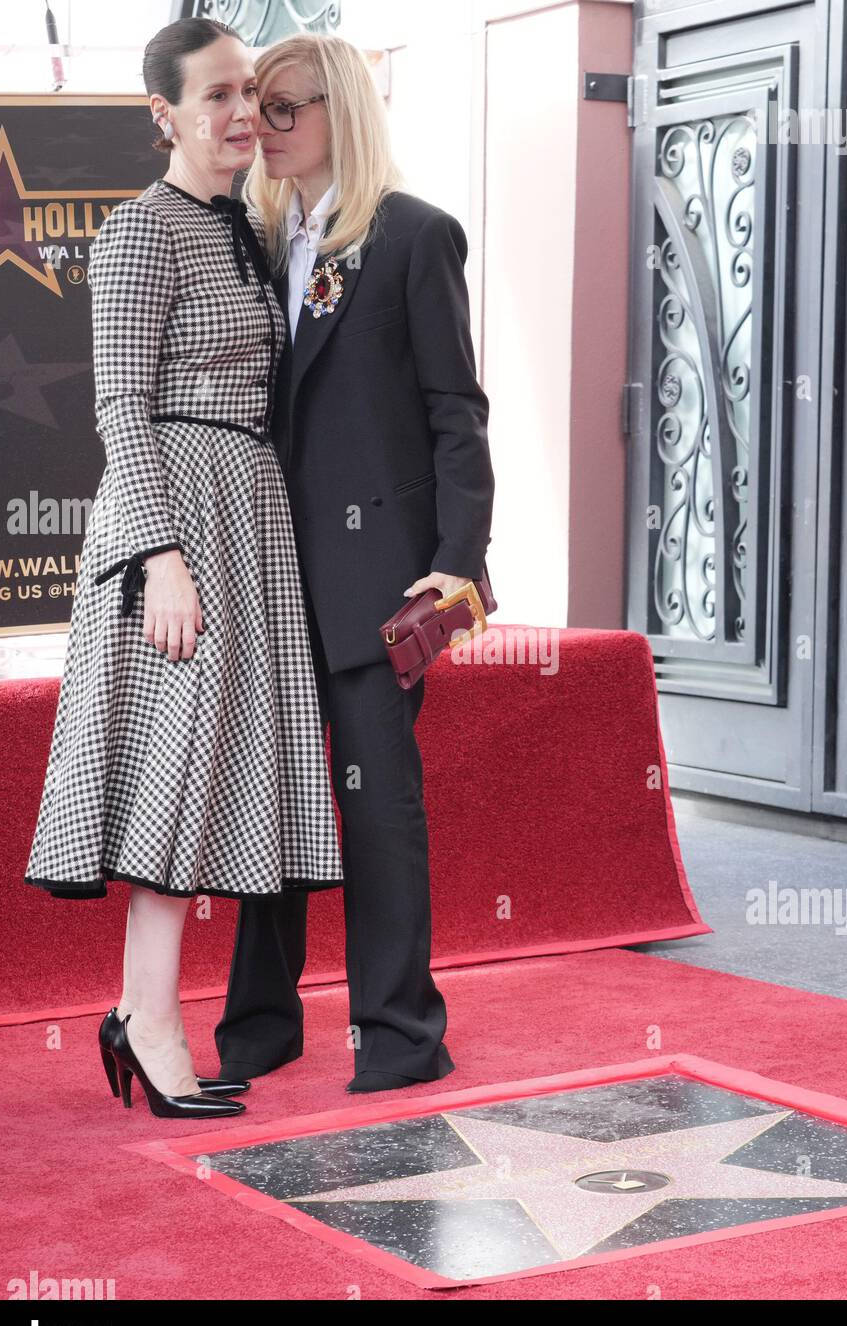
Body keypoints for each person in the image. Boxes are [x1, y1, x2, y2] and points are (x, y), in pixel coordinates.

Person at [23, 17, 343, 1118]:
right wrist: (162, 557)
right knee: (173, 773)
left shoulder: (244, 230)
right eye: (213, 96)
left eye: (248, 92)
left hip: (244, 518)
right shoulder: (140, 232)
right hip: (176, 526)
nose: (240, 113)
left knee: (206, 782)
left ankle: (141, 1011)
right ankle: (147, 1020)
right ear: (161, 114)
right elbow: (119, 402)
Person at [214, 33, 494, 1095]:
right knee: (267, 801)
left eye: (281, 107)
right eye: (252, 106)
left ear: (340, 112)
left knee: (375, 803)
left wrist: (452, 563)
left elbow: (455, 414)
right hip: (268, 574)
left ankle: (399, 1031)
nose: (261, 127)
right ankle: (259, 1025)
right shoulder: (251, 235)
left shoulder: (417, 237)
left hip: (379, 577)